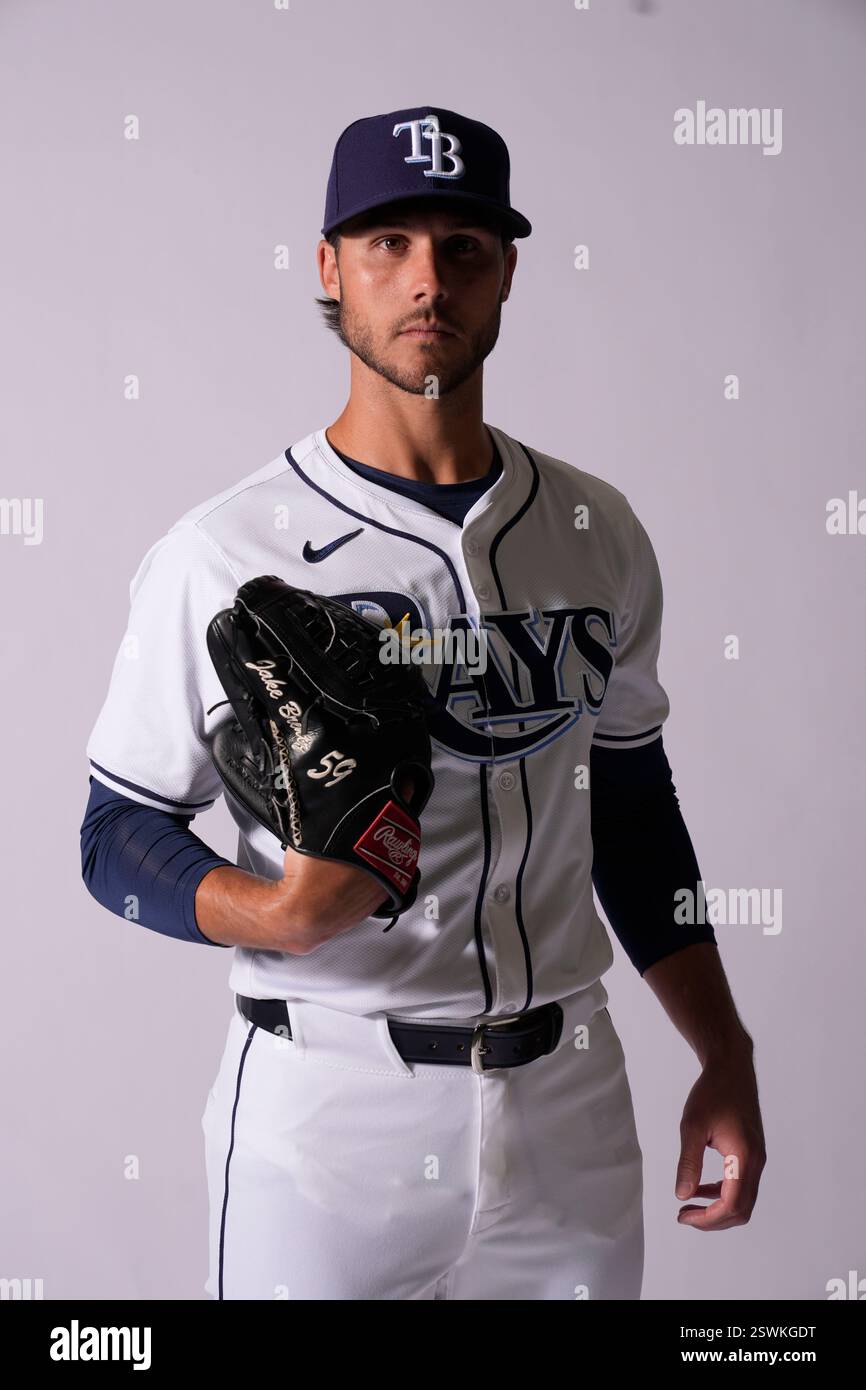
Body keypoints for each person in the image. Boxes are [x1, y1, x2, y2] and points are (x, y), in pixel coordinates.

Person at [81, 106, 766, 1300]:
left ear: (507, 272)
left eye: (462, 246)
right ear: (328, 266)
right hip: (328, 1113)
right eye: (387, 241)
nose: (425, 280)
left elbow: (631, 805)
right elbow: (112, 833)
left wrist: (721, 1048)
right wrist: (269, 913)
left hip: (570, 1109)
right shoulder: (220, 550)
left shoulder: (593, 531)